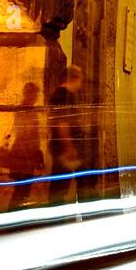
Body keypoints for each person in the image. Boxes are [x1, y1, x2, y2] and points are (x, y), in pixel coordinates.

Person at [47, 65, 87, 206]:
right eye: (80, 79)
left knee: (67, 187)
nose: (80, 83)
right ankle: (55, 221)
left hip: (67, 148)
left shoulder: (65, 95)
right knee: (59, 189)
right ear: (74, 78)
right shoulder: (61, 95)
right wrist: (70, 147)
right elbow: (62, 124)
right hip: (65, 150)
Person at [1, 82, 45, 210]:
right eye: (35, 94)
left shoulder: (28, 110)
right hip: (24, 156)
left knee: (22, 191)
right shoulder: (25, 111)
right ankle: (14, 218)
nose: (36, 97)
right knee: (22, 191)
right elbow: (25, 133)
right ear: (30, 94)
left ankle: (15, 217)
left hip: (26, 155)